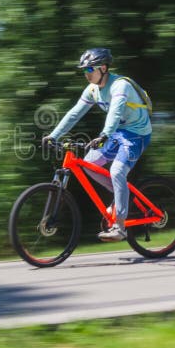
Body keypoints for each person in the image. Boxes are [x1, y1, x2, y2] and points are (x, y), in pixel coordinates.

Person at [42, 48, 152, 241]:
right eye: (84, 70)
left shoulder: (120, 86)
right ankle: (120, 197)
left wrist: (104, 135)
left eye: (90, 69)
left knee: (117, 171)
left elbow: (115, 113)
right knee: (90, 164)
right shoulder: (93, 89)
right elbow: (75, 114)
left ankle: (120, 227)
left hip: (137, 134)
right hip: (117, 132)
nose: (87, 74)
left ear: (103, 68)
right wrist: (54, 135)